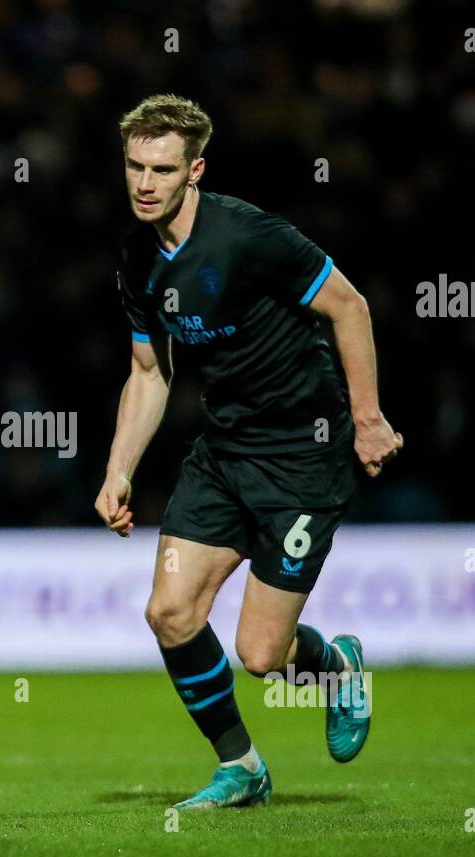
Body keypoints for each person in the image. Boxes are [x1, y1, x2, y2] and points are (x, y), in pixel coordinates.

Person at [95, 94, 402, 809]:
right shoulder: (137, 256)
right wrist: (118, 469)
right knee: (169, 612)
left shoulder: (251, 236)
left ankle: (334, 666)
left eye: (162, 169)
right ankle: (242, 767)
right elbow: (149, 371)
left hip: (303, 455)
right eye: (135, 166)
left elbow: (349, 306)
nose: (145, 183)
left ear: (194, 170)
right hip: (224, 451)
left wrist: (367, 420)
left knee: (261, 657)